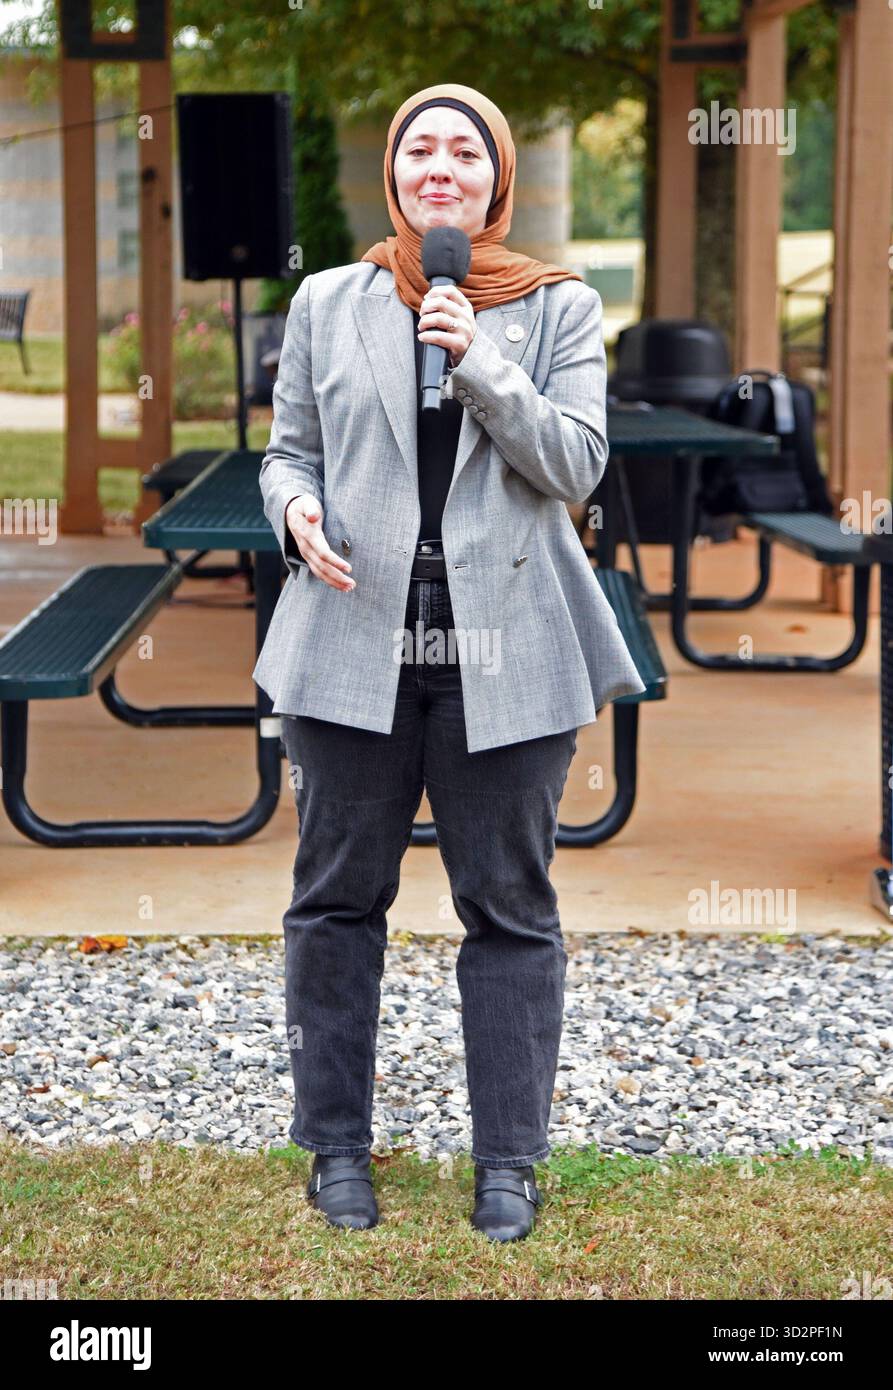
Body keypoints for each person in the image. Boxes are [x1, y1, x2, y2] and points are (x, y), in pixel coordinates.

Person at [252, 82, 646, 1243]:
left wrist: (477, 353)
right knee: (333, 904)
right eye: (418, 147)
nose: (439, 166)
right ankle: (334, 1149)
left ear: (494, 179)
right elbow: (286, 453)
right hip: (351, 633)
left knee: (510, 908)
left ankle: (507, 1164)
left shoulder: (557, 309)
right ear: (393, 174)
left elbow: (572, 465)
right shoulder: (328, 300)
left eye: (462, 151)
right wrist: (296, 514)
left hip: (504, 642)